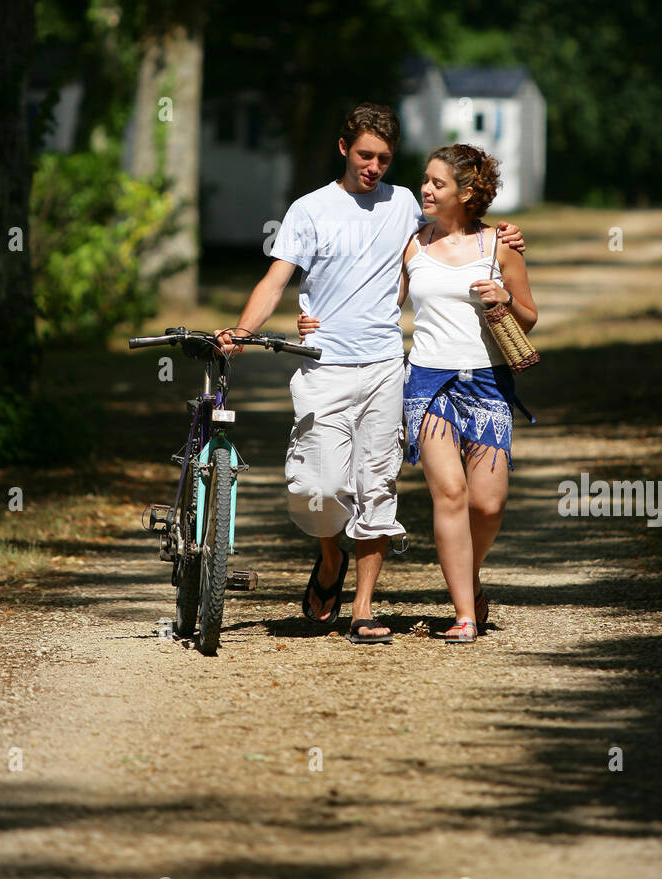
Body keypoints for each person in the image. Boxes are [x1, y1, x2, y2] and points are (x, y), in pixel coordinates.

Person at [216, 106, 525, 645]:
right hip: (323, 366)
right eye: (365, 155)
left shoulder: (404, 204)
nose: (374, 167)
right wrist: (242, 332)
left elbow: (456, 231)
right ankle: (329, 557)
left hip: (386, 367)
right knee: (319, 488)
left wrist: (504, 235)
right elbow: (275, 279)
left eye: (384, 158)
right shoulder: (309, 209)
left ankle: (362, 608)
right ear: (343, 148)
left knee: (376, 488)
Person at [399, 144, 537, 642]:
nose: (426, 189)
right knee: (451, 494)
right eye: (425, 180)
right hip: (428, 382)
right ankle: (464, 614)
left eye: (437, 183)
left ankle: (468, 576)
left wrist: (505, 297)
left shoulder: (500, 245)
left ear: (466, 192)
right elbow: (382, 307)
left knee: (488, 504)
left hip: (488, 381)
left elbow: (529, 317)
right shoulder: (412, 245)